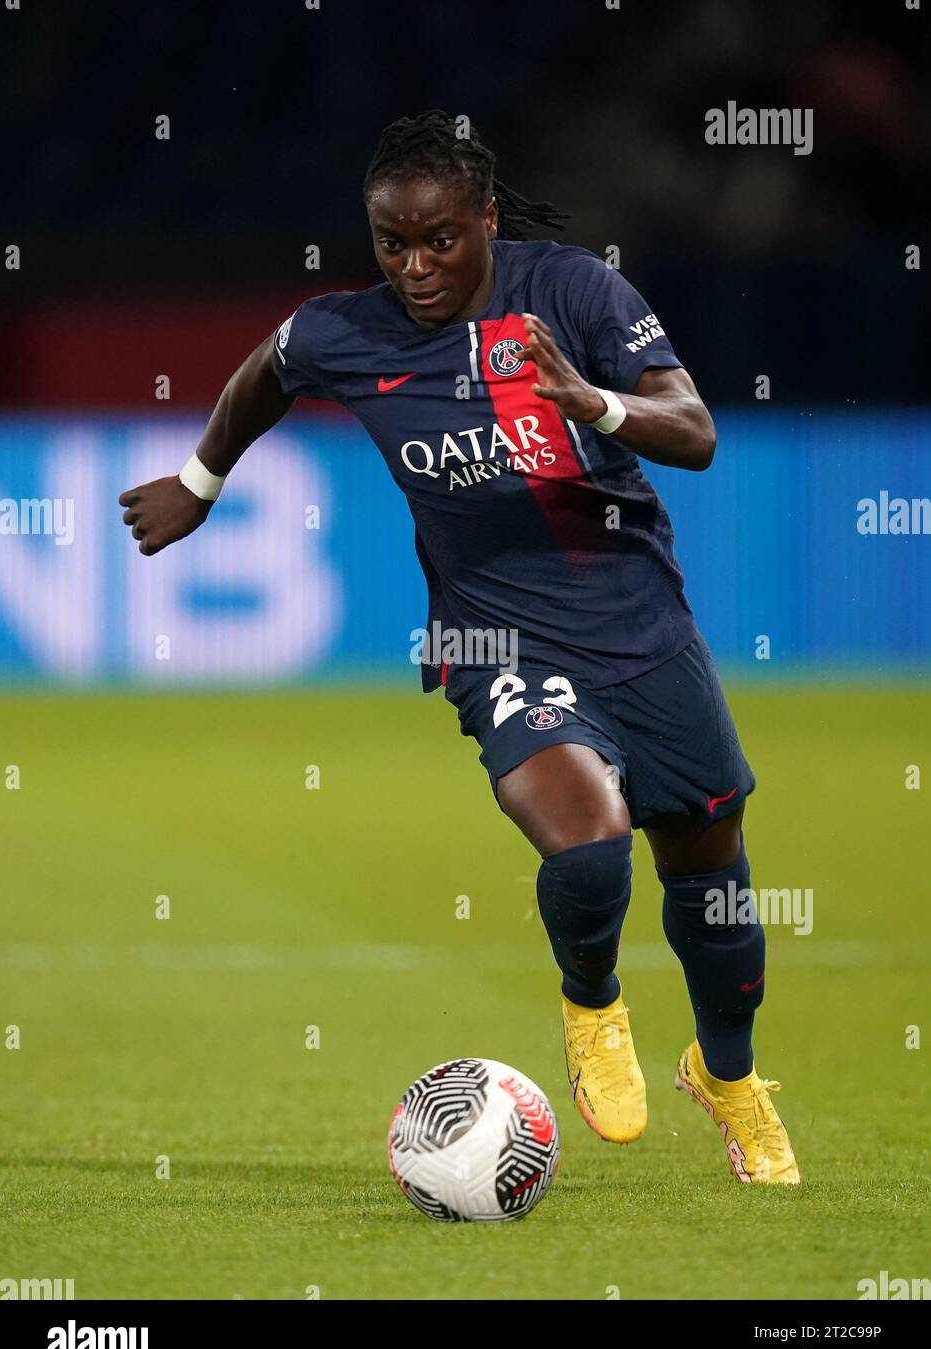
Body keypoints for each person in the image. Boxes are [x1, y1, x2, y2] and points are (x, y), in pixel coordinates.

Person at [120, 110, 799, 1184]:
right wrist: (202, 485)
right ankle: (592, 1008)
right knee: (586, 842)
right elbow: (266, 369)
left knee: (711, 876)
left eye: (440, 239)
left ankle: (727, 1078)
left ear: (486, 219)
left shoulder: (573, 293)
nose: (416, 266)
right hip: (494, 635)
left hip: (640, 624)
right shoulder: (349, 332)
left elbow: (695, 430)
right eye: (393, 243)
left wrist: (591, 402)